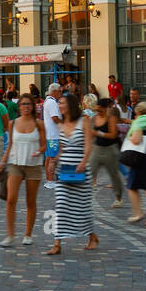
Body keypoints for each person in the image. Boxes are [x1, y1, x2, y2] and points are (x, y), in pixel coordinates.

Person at [48, 91, 98, 253]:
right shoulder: (61, 124)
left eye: (62, 103)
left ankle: (91, 235)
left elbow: (89, 145)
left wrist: (84, 162)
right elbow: (63, 147)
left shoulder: (84, 121)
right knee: (61, 205)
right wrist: (54, 161)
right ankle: (57, 244)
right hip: (65, 170)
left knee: (82, 207)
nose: (59, 106)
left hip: (81, 170)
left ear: (70, 105)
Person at [0, 94, 47, 246]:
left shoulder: (39, 124)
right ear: (19, 106)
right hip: (15, 164)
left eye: (28, 104)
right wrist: (2, 163)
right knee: (11, 199)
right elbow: (10, 144)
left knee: (30, 201)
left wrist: (39, 151)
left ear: (33, 106)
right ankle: (10, 236)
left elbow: (44, 145)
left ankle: (28, 234)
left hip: (33, 166)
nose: (26, 107)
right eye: (23, 104)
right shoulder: (12, 123)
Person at [90, 96, 124, 210]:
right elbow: (90, 134)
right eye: (97, 110)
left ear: (105, 109)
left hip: (110, 149)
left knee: (114, 175)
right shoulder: (93, 119)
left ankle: (119, 198)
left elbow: (113, 135)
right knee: (89, 172)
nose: (98, 112)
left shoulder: (111, 118)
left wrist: (98, 133)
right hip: (97, 149)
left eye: (100, 110)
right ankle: (81, 198)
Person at [42, 83, 63, 189]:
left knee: (49, 158)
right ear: (54, 91)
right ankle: (50, 180)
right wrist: (64, 124)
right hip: (53, 135)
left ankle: (49, 179)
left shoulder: (48, 101)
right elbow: (55, 118)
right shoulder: (52, 102)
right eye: (60, 91)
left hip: (50, 134)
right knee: (52, 159)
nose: (61, 93)